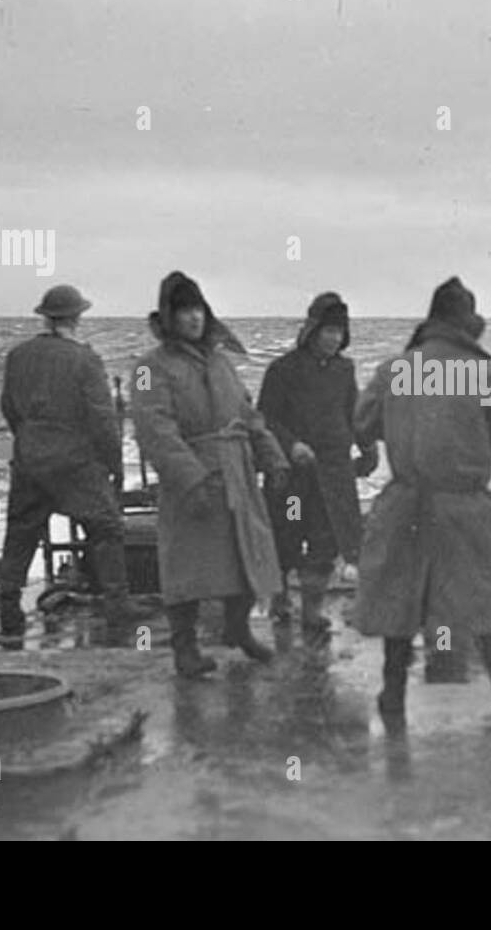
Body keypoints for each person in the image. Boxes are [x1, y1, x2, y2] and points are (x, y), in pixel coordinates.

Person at [352, 276, 491, 729]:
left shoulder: (396, 369)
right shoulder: (482, 372)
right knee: (488, 603)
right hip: (464, 508)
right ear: (467, 324)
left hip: (405, 505)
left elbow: (364, 422)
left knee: (399, 603)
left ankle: (392, 694)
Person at [131, 271, 290, 677]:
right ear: (169, 317)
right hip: (194, 478)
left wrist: (271, 456)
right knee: (186, 567)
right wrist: (192, 478)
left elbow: (247, 413)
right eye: (184, 311)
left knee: (245, 558)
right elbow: (155, 429)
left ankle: (238, 629)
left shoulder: (221, 362)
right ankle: (185, 647)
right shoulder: (151, 367)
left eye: (198, 309)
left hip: (237, 474)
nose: (193, 318)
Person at [0, 284, 135, 638]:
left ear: (45, 315)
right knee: (107, 529)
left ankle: (9, 609)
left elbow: (9, 409)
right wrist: (114, 465)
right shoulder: (85, 359)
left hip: (29, 459)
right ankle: (118, 610)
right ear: (77, 317)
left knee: (20, 535)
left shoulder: (18, 355)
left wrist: (29, 442)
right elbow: (102, 419)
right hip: (75, 463)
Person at [258, 292, 376, 640]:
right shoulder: (283, 369)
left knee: (328, 541)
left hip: (335, 472)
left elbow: (353, 414)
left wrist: (367, 447)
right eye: (328, 331)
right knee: (287, 536)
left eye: (340, 332)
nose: (334, 338)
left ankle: (312, 609)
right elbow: (265, 418)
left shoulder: (344, 369)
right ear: (312, 330)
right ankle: (279, 598)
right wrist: (290, 444)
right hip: (293, 477)